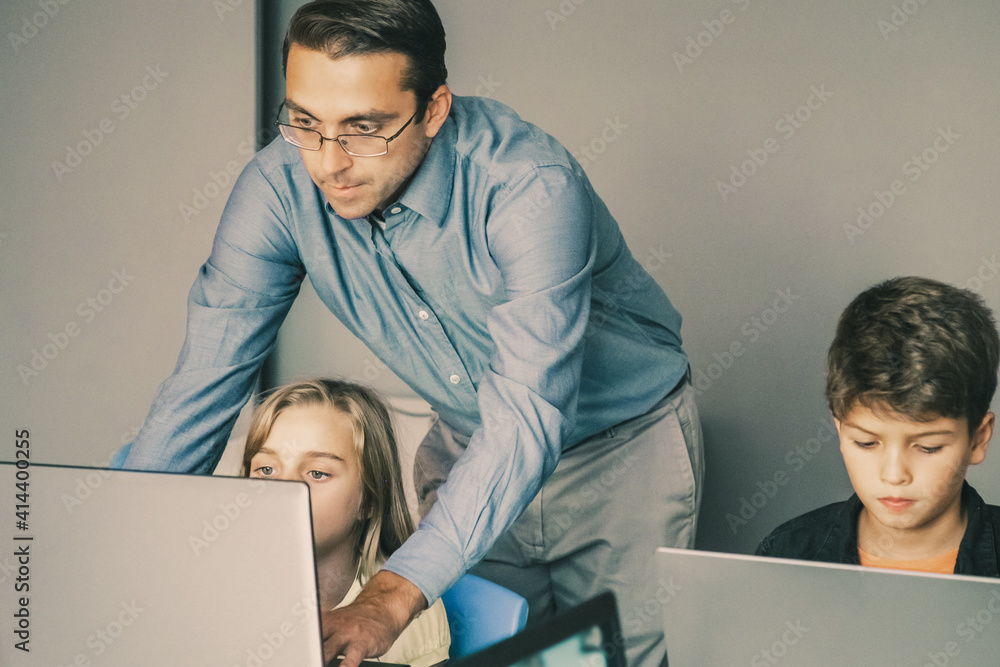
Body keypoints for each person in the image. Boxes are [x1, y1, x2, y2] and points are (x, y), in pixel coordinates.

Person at [115, 2, 702, 665]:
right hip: (469, 442)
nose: (328, 163)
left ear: (434, 108)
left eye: (364, 128)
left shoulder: (530, 187)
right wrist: (121, 551)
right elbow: (202, 382)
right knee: (486, 654)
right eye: (306, 122)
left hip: (621, 450)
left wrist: (391, 593)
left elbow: (528, 416)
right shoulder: (276, 188)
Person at [757, 277, 1000, 577]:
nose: (894, 475)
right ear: (840, 429)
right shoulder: (786, 554)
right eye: (866, 443)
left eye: (928, 447)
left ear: (978, 439)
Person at [241, 378, 450, 666]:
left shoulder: (412, 613)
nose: (283, 489)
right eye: (266, 469)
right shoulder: (216, 594)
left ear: (369, 501)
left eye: (317, 473)